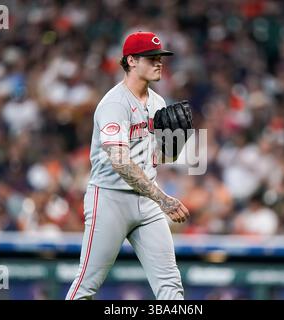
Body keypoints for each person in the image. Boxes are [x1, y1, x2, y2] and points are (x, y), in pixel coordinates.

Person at [66, 31, 190, 300]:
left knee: (170, 285)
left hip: (147, 203)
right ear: (131, 60)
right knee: (85, 287)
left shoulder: (158, 102)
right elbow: (120, 162)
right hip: (110, 199)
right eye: (151, 58)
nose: (159, 63)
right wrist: (163, 199)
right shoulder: (114, 104)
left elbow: (159, 158)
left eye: (160, 58)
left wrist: (175, 145)